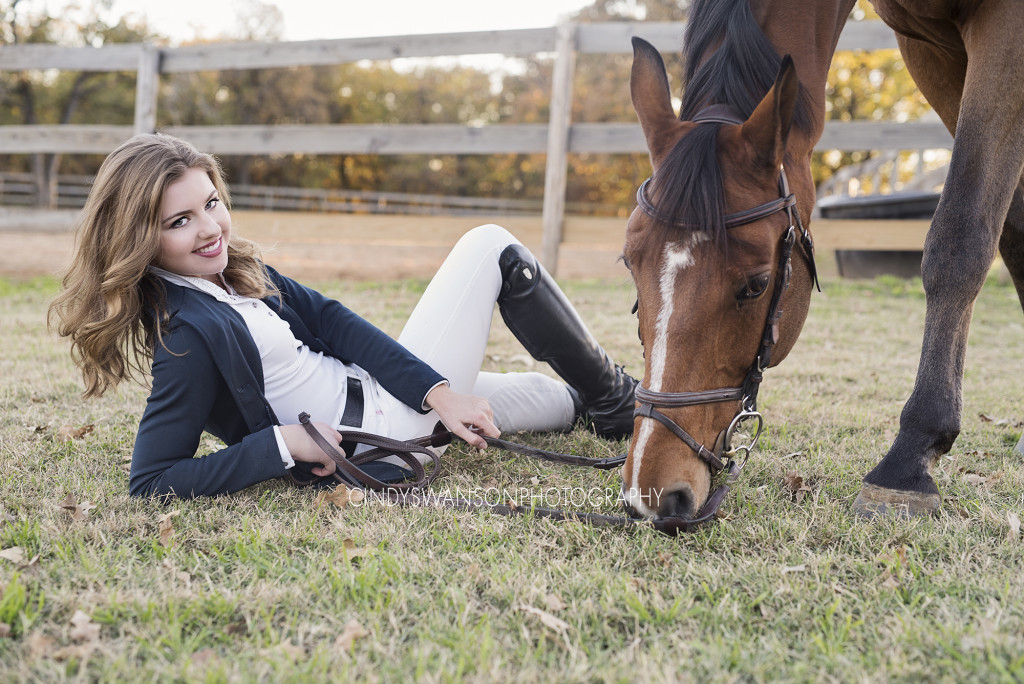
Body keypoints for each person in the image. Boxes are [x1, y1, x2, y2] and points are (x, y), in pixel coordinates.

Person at [49, 133, 638, 499]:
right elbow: (152, 480)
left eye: (211, 203)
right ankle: (617, 398)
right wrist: (281, 446)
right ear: (138, 238)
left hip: (396, 396)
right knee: (489, 244)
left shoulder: (232, 274)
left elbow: (334, 324)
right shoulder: (186, 332)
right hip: (385, 434)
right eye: (179, 221)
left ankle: (621, 404)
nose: (209, 228)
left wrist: (438, 393)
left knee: (555, 400)